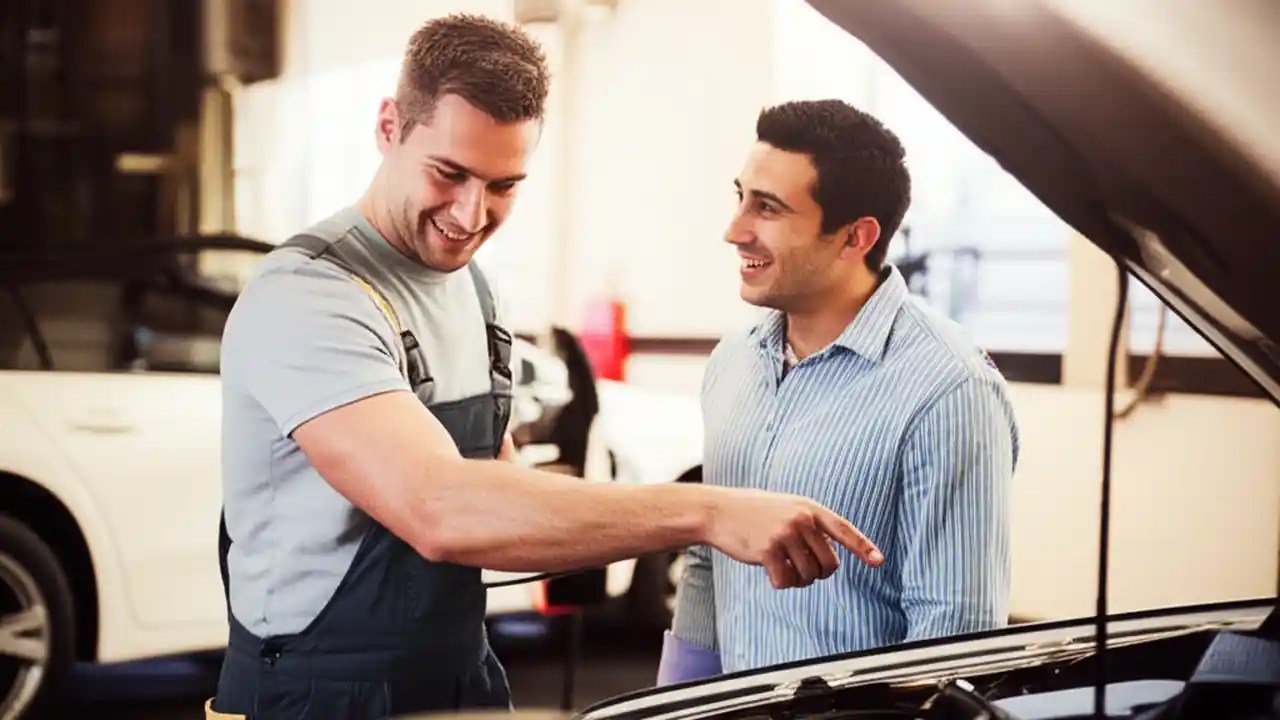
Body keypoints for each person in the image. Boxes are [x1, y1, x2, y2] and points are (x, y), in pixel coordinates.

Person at [208, 17, 884, 719]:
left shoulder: (477, 290)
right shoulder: (309, 294)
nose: (471, 214)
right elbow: (438, 508)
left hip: (460, 673)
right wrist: (706, 511)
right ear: (389, 127)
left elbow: (496, 498)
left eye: (503, 185)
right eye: (449, 173)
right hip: (315, 695)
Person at [658, 99, 1019, 684]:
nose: (735, 229)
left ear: (856, 237)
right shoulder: (732, 362)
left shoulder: (950, 390)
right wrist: (674, 698)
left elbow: (956, 632)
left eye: (768, 208)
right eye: (740, 196)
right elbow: (708, 558)